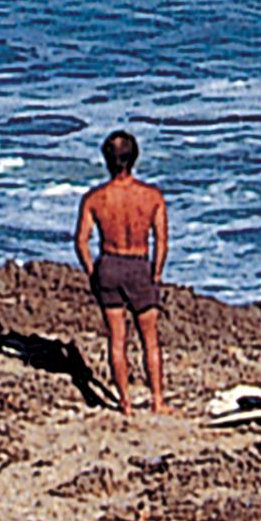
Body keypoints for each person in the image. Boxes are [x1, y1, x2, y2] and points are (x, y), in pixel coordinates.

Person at [72, 129, 169, 419]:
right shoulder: (152, 196)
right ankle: (157, 399)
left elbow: (81, 241)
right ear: (134, 158)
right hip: (139, 264)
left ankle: (125, 402)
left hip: (110, 265)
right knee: (150, 340)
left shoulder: (95, 198)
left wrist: (93, 271)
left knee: (117, 340)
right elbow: (162, 241)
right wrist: (156, 273)